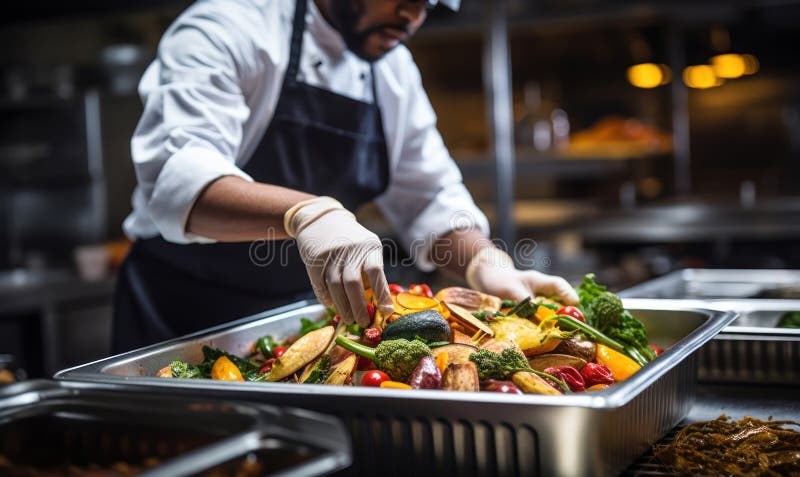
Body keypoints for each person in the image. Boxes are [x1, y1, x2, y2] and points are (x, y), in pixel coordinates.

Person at [113, 0, 578, 352]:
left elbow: (430, 197)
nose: (413, 15)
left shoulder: (391, 69)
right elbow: (179, 180)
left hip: (300, 317)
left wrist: (484, 262)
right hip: (180, 315)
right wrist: (307, 214)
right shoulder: (227, 26)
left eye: (430, 3)